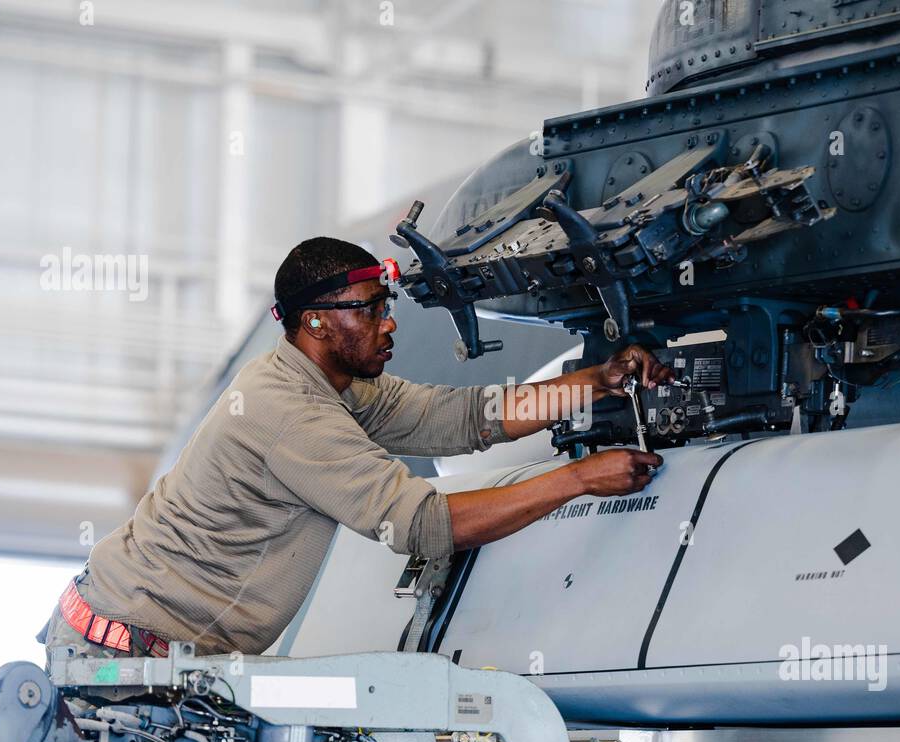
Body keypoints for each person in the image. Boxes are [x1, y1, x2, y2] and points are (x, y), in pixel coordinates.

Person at [38, 237, 670, 663]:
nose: (387, 323)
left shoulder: (334, 384)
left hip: (149, 647)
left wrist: (592, 382)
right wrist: (578, 480)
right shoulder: (287, 412)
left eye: (384, 307)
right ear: (314, 322)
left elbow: (456, 420)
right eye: (368, 310)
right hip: (118, 657)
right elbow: (427, 525)